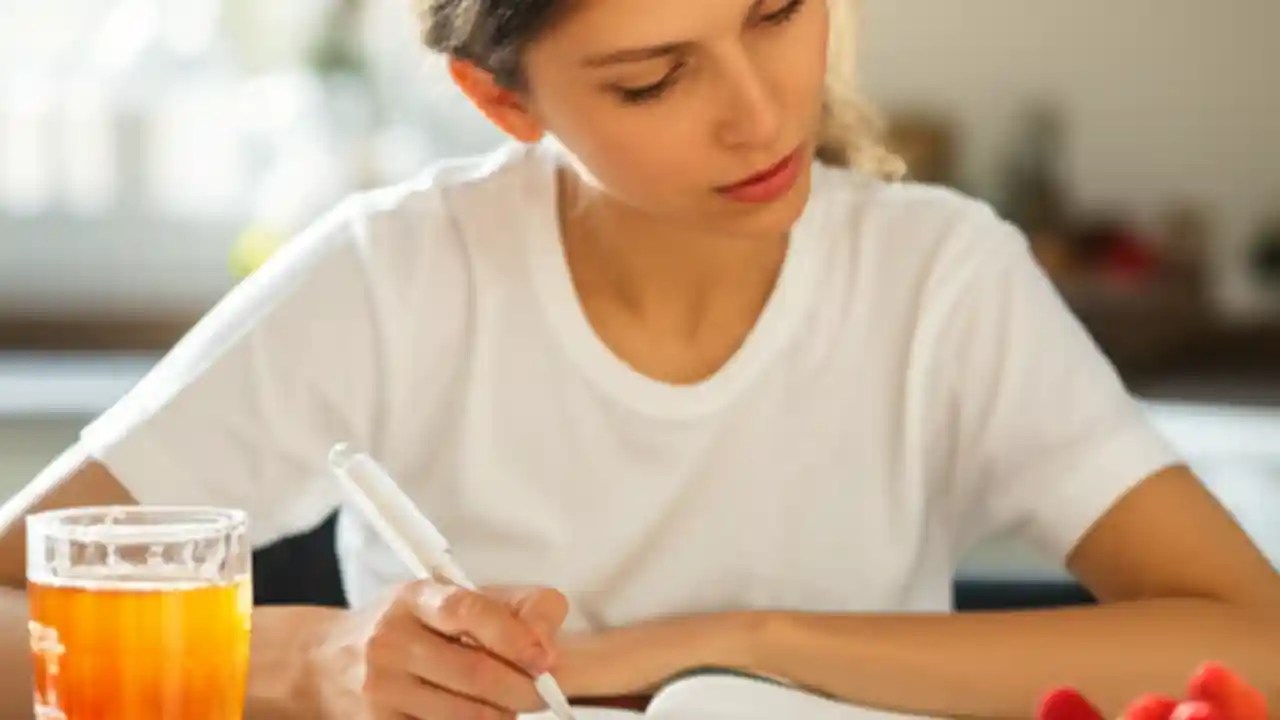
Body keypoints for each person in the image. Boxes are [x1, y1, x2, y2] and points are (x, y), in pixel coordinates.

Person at [2, 0, 1278, 717]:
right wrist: (321, 664)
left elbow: (1255, 646)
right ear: (504, 103)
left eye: (774, 11)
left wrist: (714, 643)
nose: (763, 109)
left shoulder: (942, 279)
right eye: (655, 78)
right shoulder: (392, 275)